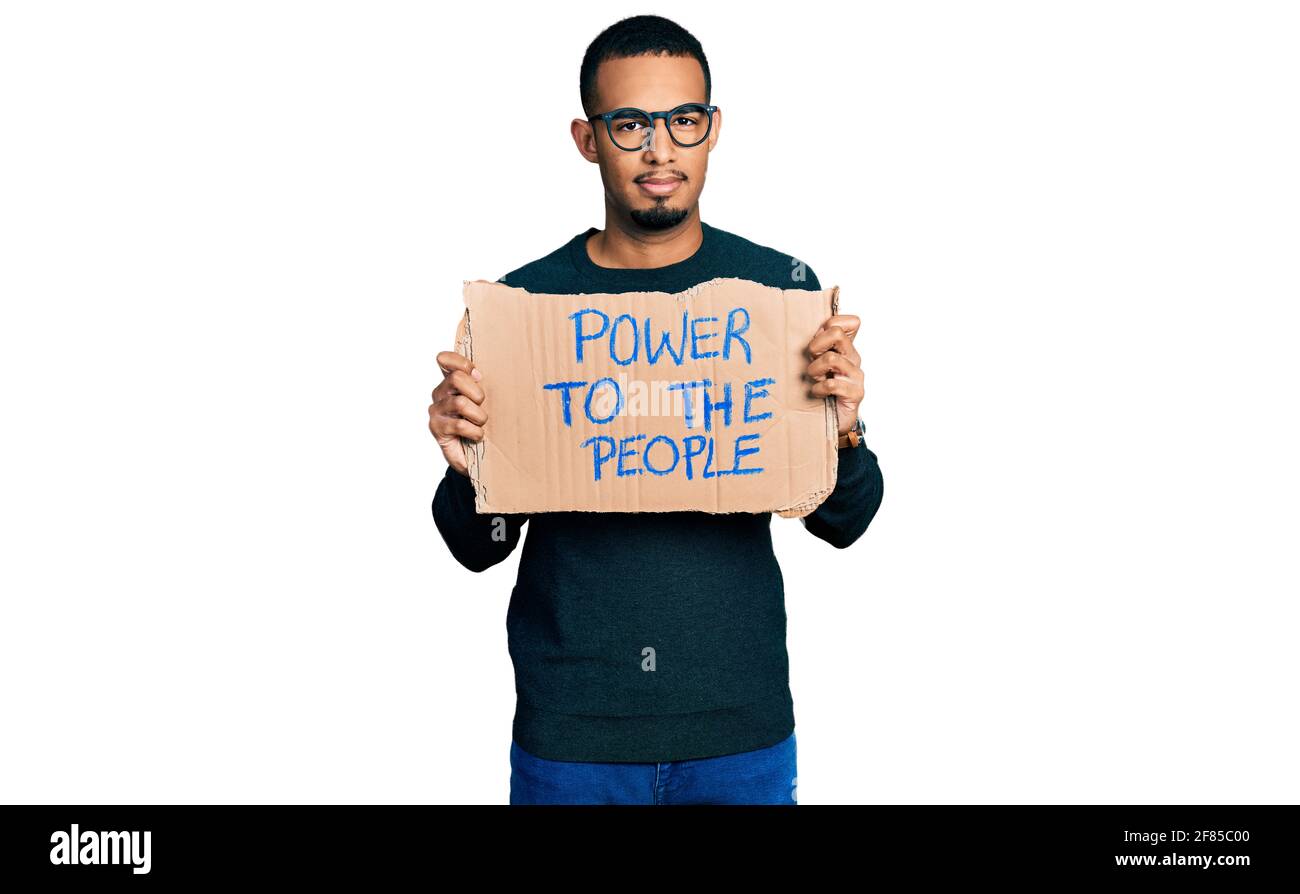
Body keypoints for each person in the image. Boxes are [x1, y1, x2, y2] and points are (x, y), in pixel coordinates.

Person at [428, 15, 884, 805]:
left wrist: (841, 426)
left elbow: (844, 522)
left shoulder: (779, 291)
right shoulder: (526, 306)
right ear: (587, 138)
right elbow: (479, 547)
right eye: (630, 123)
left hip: (738, 731)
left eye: (684, 120)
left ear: (713, 130)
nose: (660, 149)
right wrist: (467, 461)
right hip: (574, 732)